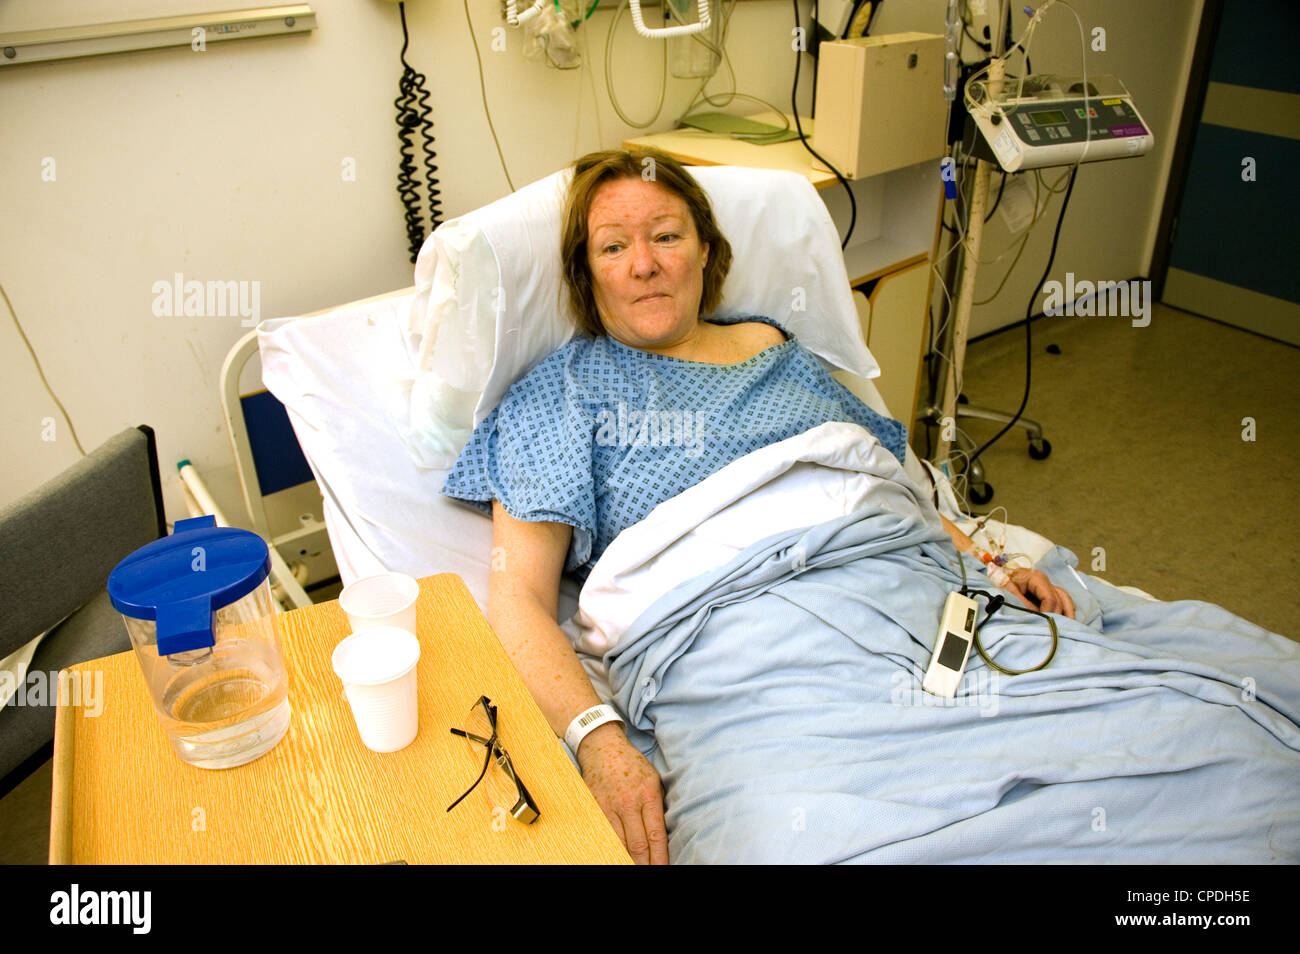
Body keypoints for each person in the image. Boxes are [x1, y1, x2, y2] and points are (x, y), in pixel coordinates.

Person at [443, 147, 1075, 865]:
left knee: (1159, 740)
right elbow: (520, 597)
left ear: (705, 252)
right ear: (587, 279)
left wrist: (990, 562)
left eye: (667, 236)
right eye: (613, 247)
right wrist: (600, 741)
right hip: (749, 654)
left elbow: (887, 481)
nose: (643, 264)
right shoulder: (561, 395)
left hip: (904, 589)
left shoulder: (782, 349)